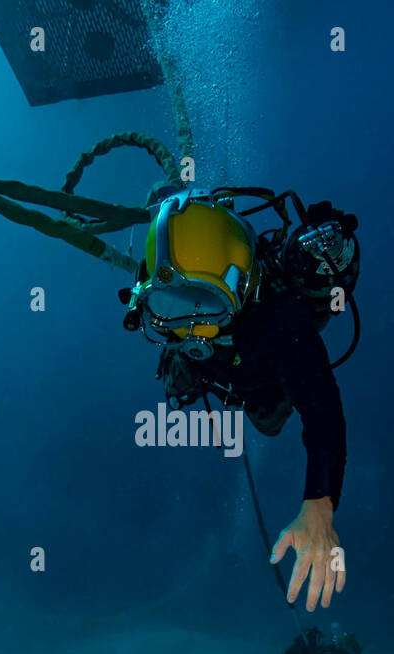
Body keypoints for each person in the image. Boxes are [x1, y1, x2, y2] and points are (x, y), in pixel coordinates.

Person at [119, 187, 360, 611]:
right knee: (180, 368)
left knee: (268, 417)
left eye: (207, 304)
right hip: (214, 371)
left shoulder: (281, 320)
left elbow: (323, 413)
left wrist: (320, 504)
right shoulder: (182, 322)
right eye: (170, 303)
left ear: (241, 285)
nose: (194, 327)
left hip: (259, 378)